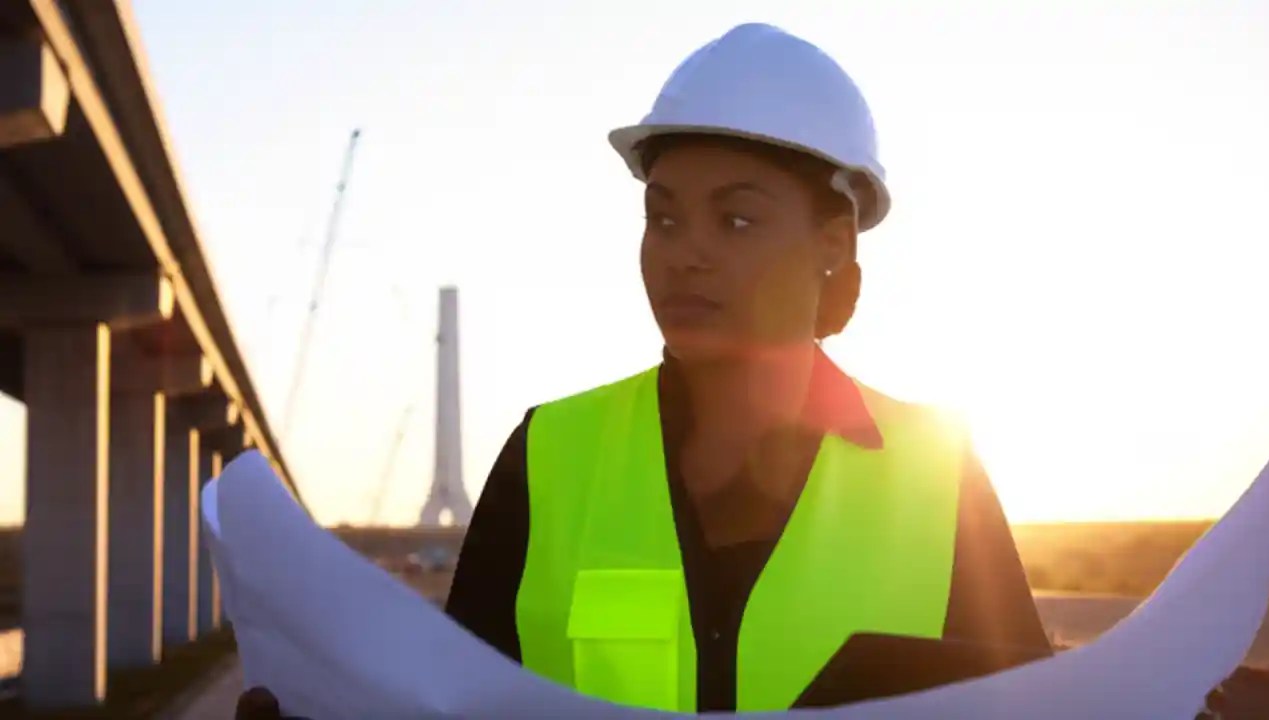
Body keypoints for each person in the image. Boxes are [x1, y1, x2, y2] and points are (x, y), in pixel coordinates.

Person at [237, 22, 1050, 718]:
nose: (684, 255)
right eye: (662, 217)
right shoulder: (549, 458)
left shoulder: (939, 478)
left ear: (833, 242)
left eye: (734, 220)